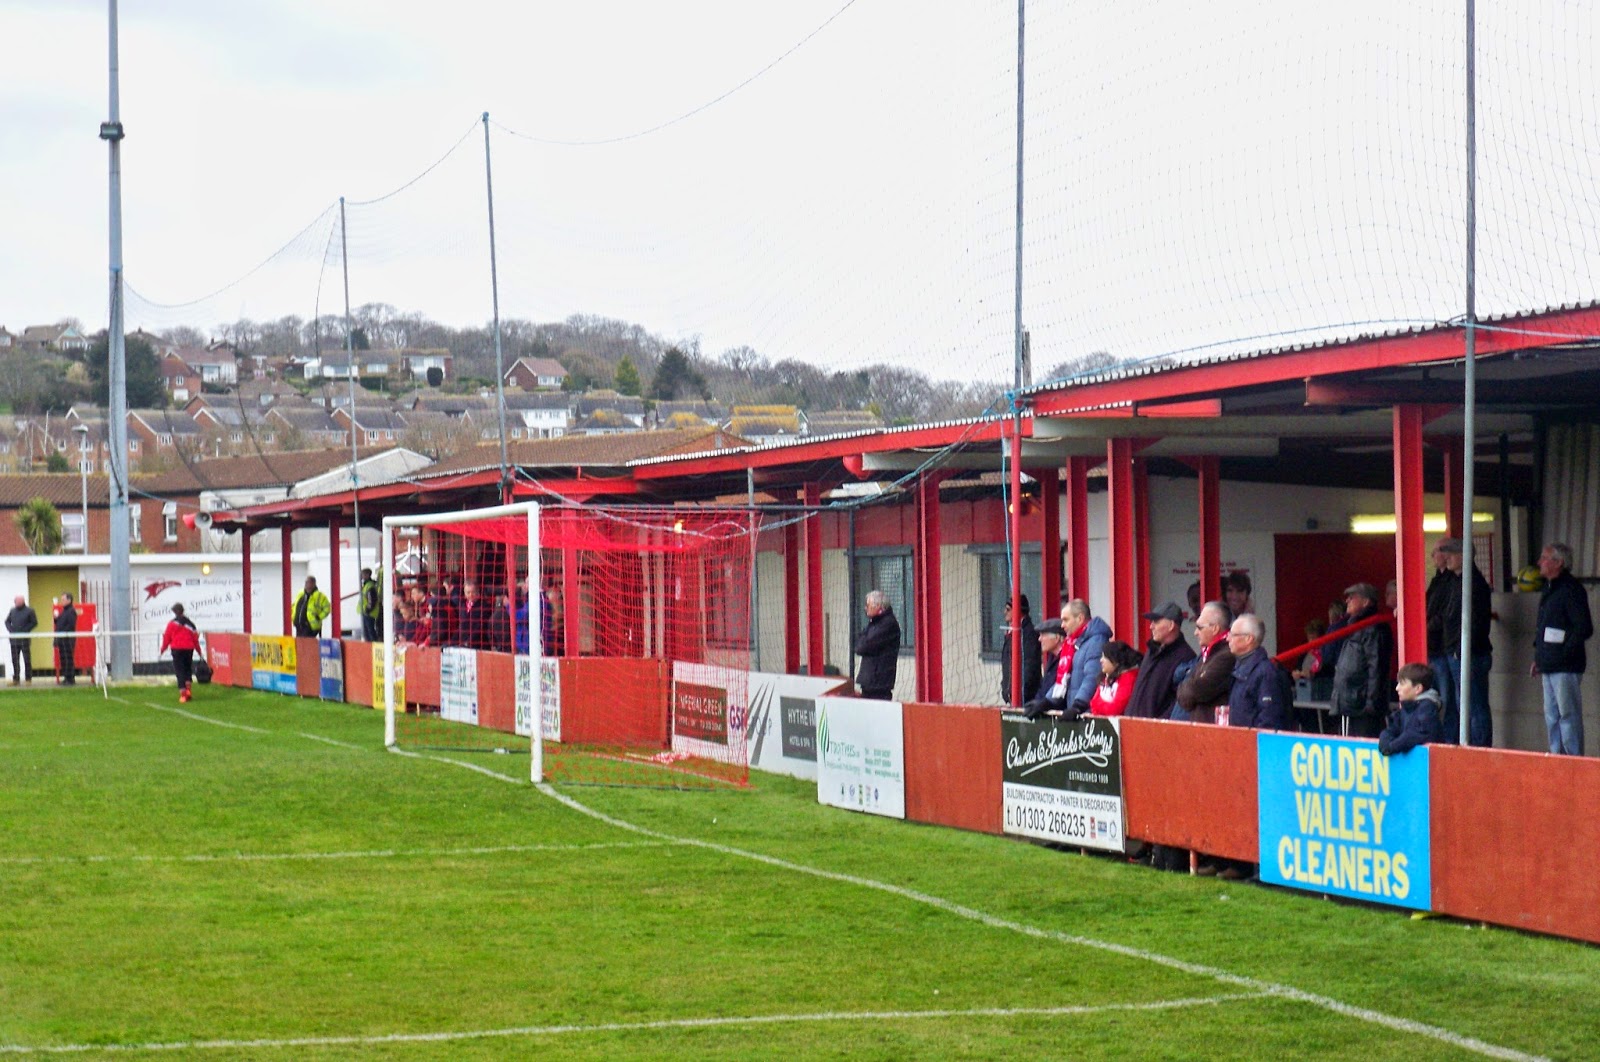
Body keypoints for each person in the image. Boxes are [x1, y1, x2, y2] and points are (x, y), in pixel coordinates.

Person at [1426, 537, 1495, 747]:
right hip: (1458, 652)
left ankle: (1479, 748)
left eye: (1451, 554)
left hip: (1468, 654)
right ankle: (1470, 746)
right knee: (1463, 704)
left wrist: (1460, 650)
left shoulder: (1472, 583)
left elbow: (1475, 621)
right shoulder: (1456, 582)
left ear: (1463, 556)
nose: (1446, 558)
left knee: (1473, 706)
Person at [1533, 542, 1593, 756]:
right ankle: (1557, 755)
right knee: (1552, 715)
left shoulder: (1571, 590)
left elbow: (1584, 627)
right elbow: (1543, 627)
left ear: (1558, 563)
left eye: (1544, 558)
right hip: (1549, 663)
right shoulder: (1549, 588)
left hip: (1565, 665)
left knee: (1567, 714)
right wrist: (1538, 657)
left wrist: (1564, 652)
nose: (1540, 562)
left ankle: (1573, 758)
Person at [1330, 582, 1392, 738]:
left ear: (1366, 602)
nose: (1347, 601)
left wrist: (1371, 703)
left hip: (1361, 705)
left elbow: (1376, 667)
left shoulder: (1373, 628)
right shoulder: (1355, 626)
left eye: (1352, 598)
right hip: (1351, 702)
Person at [1123, 602, 1196, 720]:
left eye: (1156, 621)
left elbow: (1180, 701)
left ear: (1171, 625)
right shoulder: (1151, 651)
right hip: (1133, 726)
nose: (1151, 626)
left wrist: (1159, 724)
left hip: (1156, 731)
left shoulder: (1185, 657)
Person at [1225, 614, 1293, 732]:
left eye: (1233, 634)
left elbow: (1269, 720)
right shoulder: (1240, 668)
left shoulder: (1266, 673)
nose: (1227, 638)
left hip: (1254, 746)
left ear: (1248, 639)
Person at [1175, 601, 1235, 725]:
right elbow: (1183, 693)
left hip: (1215, 736)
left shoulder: (1227, 656)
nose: (1195, 633)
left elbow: (1197, 691)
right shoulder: (1207, 654)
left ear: (1215, 629)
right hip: (1202, 733)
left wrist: (1188, 687)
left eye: (1199, 627)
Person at [1379, 663, 1444, 757]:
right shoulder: (1405, 709)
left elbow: (1419, 734)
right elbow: (1392, 729)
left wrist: (1393, 746)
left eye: (1402, 684)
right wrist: (1385, 740)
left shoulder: (1428, 708)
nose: (1397, 688)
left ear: (1418, 688)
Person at [1060, 599, 1112, 715]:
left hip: (1087, 716)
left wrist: (1078, 705)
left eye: (1066, 620)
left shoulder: (1095, 642)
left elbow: (1092, 676)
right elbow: (1063, 678)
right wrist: (1048, 701)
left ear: (1080, 618)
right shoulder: (1075, 643)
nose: (1062, 625)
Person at [854, 589, 901, 700]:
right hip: (870, 682)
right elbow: (859, 645)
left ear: (878, 606)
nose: (866, 608)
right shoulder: (874, 623)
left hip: (879, 684)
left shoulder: (888, 624)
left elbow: (863, 646)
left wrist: (864, 640)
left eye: (868, 605)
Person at [999, 593, 1041, 705]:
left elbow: (1029, 666)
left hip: (1024, 698)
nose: (1005, 612)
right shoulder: (1012, 633)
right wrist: (1006, 688)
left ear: (1018, 610)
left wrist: (1021, 691)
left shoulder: (1028, 634)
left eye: (1008, 609)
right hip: (1014, 695)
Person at [1022, 618, 1067, 719]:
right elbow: (1045, 687)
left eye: (1043, 635)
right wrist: (1036, 704)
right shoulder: (1052, 658)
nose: (1039, 639)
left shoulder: (1067, 659)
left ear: (1057, 638)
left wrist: (1044, 704)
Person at [159, 603, 202, 703]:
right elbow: (195, 639)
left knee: (179, 671)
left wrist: (162, 650)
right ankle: (188, 691)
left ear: (174, 612)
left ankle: (183, 695)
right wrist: (199, 651)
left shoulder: (171, 624)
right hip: (189, 649)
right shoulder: (191, 624)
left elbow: (167, 638)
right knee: (187, 669)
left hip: (177, 649)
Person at [1089, 641, 1143, 716]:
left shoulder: (1128, 679)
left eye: (1105, 657)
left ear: (1115, 660)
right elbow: (1093, 704)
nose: (1101, 660)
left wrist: (1098, 706)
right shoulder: (1105, 678)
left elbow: (1115, 709)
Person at [6, 594, 37, 685]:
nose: (17, 603)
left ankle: (28, 678)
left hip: (24, 639)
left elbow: (34, 622)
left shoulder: (30, 611)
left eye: (19, 601)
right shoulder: (12, 611)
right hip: (14, 639)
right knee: (15, 659)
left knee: (26, 659)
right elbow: (7, 621)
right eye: (16, 601)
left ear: (23, 601)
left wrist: (25, 630)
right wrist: (10, 629)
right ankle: (16, 679)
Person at [53, 593, 78, 685]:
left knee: (68, 658)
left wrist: (62, 632)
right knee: (63, 658)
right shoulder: (64, 611)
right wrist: (56, 619)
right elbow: (59, 623)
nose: (61, 601)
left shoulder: (71, 611)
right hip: (62, 639)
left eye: (63, 599)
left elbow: (71, 625)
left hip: (67, 639)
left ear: (69, 600)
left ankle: (70, 678)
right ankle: (66, 677)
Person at [359, 567, 383, 643]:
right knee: (368, 632)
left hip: (369, 613)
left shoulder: (370, 586)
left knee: (370, 632)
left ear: (367, 575)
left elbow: (372, 600)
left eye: (362, 574)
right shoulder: (368, 585)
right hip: (367, 612)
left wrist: (367, 610)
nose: (361, 576)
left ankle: (373, 646)